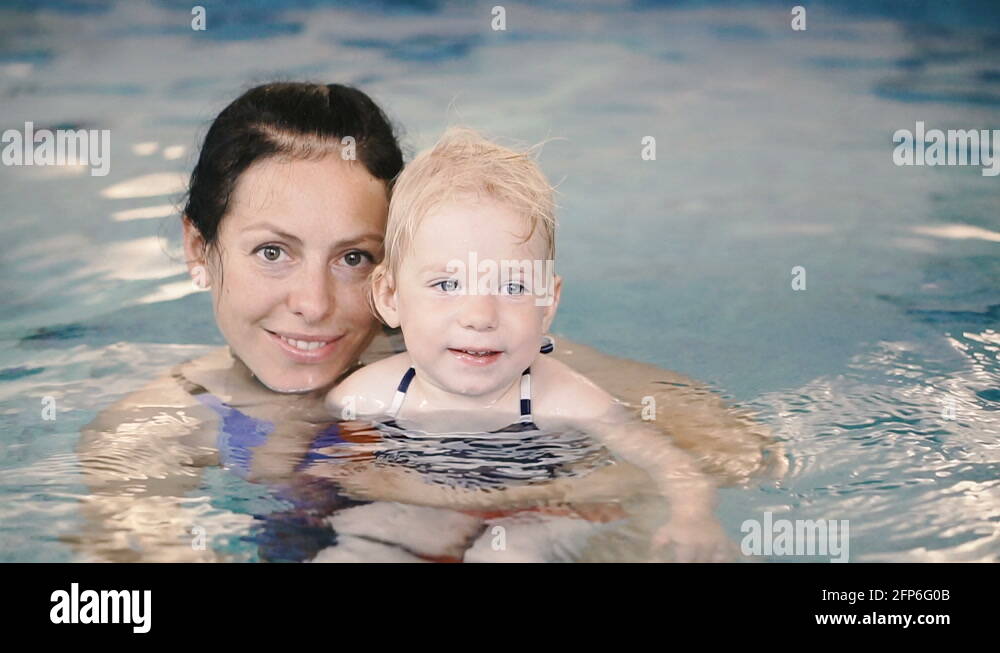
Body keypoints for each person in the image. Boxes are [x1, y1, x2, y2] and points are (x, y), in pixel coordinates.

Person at [77, 82, 783, 562]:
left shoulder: (491, 358)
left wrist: (542, 501)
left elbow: (741, 450)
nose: (315, 303)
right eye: (272, 252)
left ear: (396, 278)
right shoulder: (165, 425)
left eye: (354, 256)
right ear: (199, 250)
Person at [324, 127, 731, 561]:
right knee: (364, 533)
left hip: (543, 511)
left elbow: (668, 463)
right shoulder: (365, 396)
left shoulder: (564, 399)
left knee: (513, 552)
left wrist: (693, 517)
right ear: (390, 297)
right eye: (446, 283)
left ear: (547, 305)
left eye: (514, 287)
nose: (480, 317)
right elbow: (333, 468)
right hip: (433, 507)